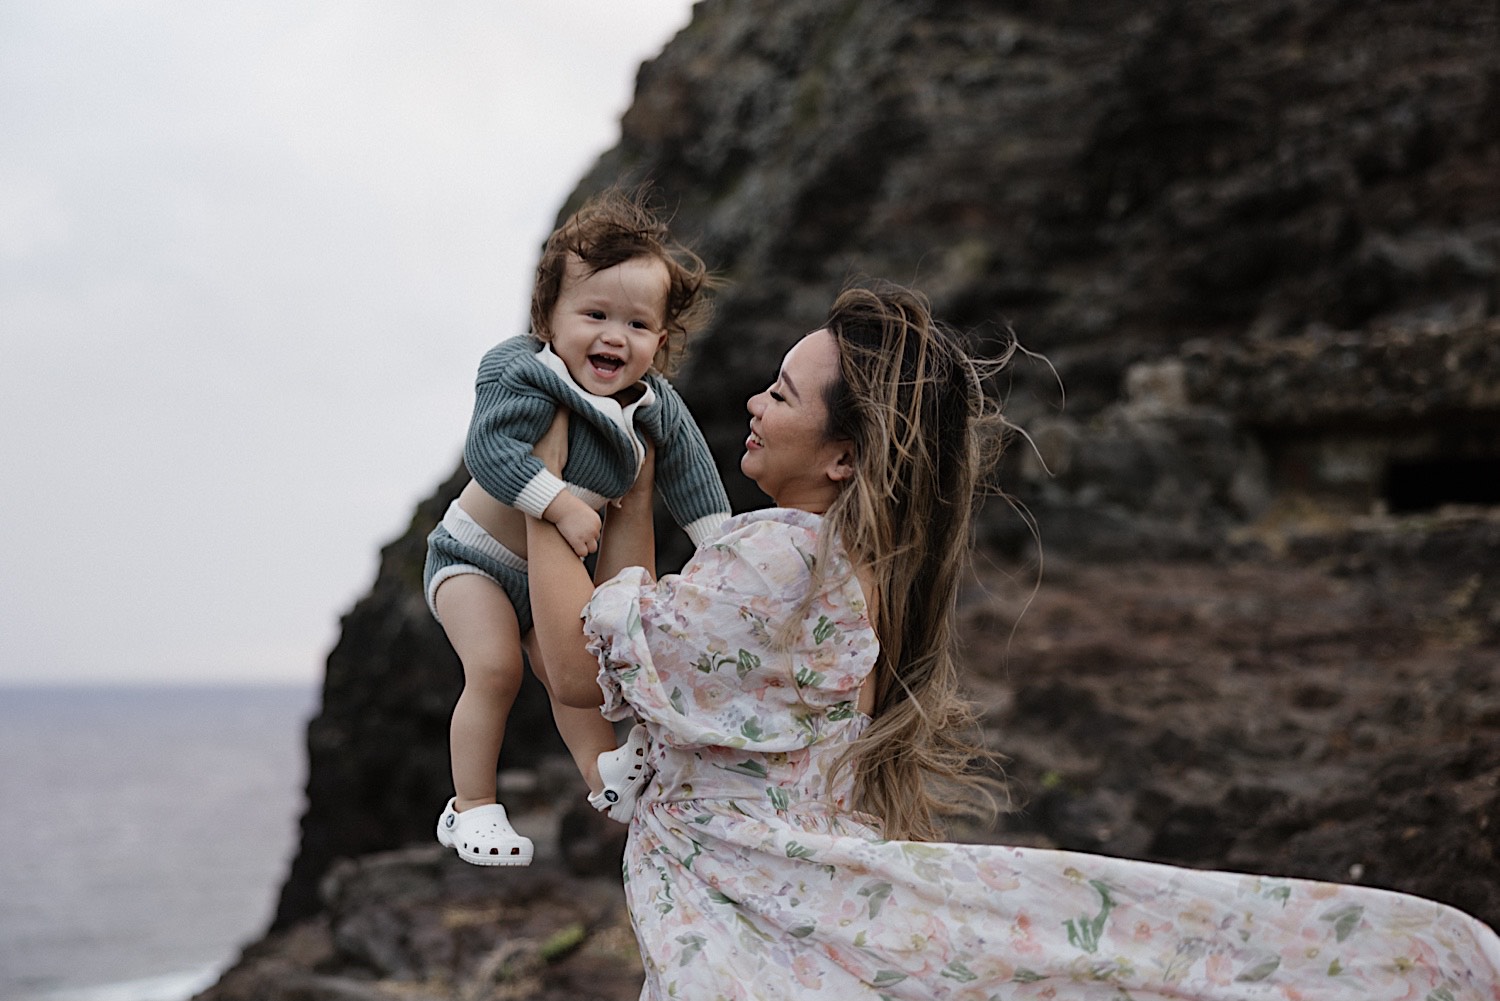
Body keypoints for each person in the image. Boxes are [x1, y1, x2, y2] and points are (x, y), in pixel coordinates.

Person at [523, 281, 1500, 997]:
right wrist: (633, 481)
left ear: (842, 456)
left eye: (782, 392)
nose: (754, 402)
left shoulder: (779, 565)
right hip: (778, 917)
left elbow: (576, 665)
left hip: (758, 934)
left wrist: (536, 471)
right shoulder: (835, 571)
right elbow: (627, 624)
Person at [425, 189, 731, 866]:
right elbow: (492, 450)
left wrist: (721, 549)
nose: (614, 337)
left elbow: (692, 476)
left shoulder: (654, 404)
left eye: (638, 323)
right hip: (472, 559)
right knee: (498, 668)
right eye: (594, 314)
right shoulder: (522, 370)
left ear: (661, 337)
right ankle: (470, 805)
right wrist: (558, 501)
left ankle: (605, 775)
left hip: (541, 575)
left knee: (571, 671)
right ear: (549, 318)